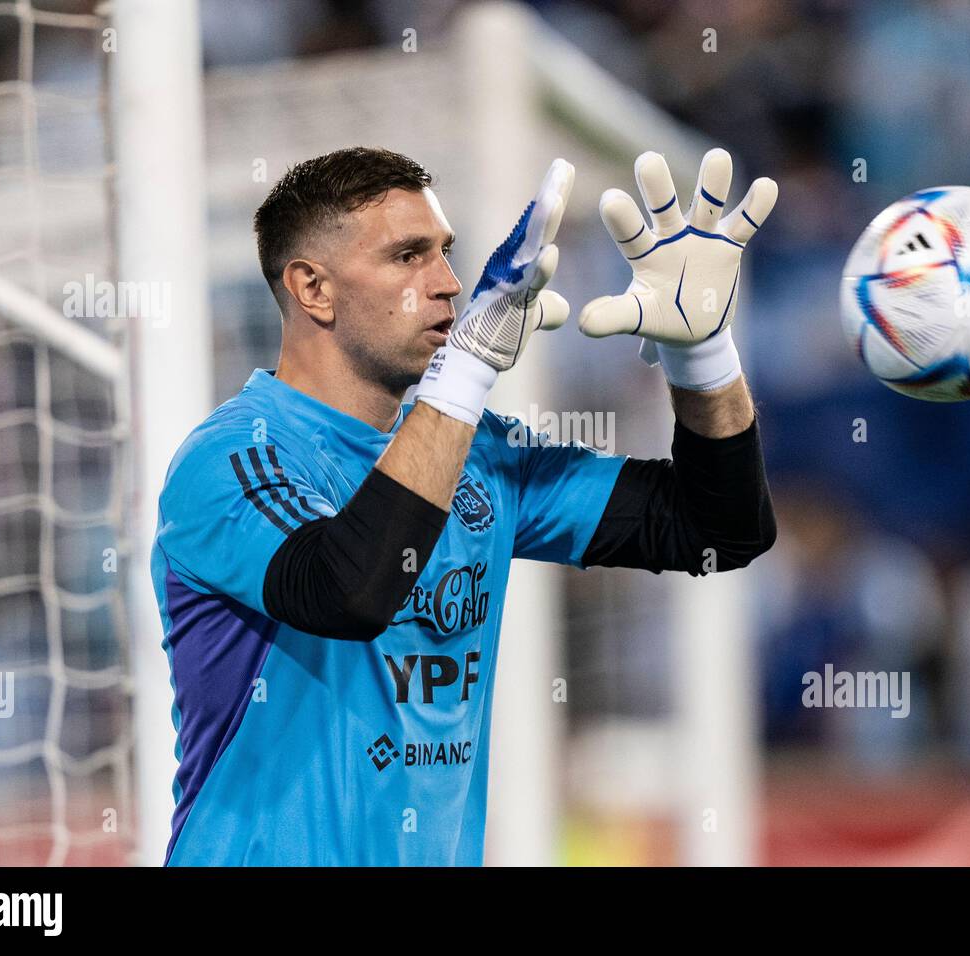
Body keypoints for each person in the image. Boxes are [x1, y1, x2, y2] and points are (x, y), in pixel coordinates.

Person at [151, 145, 778, 865]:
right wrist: (466, 371)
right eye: (408, 256)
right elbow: (345, 591)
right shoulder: (230, 460)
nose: (449, 284)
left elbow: (716, 530)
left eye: (445, 253)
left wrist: (703, 361)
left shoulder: (479, 457)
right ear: (313, 289)